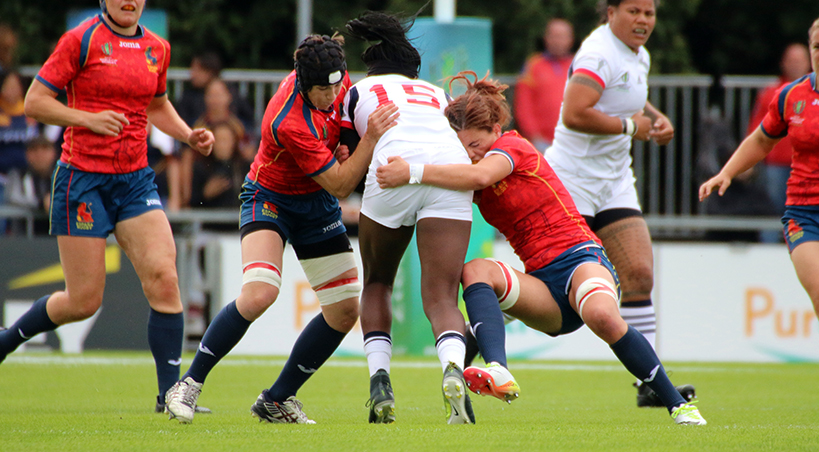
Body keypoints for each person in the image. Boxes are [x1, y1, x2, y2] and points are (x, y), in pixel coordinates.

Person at [377, 71, 706, 425]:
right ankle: (497, 372)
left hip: (582, 259)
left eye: (475, 146)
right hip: (546, 292)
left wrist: (411, 171)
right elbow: (443, 189)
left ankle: (678, 405)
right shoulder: (473, 169)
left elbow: (478, 177)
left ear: (494, 131)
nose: (471, 156)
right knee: (475, 271)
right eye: (463, 150)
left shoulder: (512, 147)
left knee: (602, 316)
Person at [163, 33, 399, 425]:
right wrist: (368, 139)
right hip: (270, 198)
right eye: (323, 89)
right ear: (304, 82)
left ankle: (277, 399)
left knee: (343, 311)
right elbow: (341, 184)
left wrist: (348, 142)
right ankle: (187, 383)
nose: (332, 95)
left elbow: (343, 134)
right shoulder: (288, 117)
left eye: (337, 85)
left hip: (315, 204)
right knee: (260, 293)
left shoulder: (338, 85)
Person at [0, 0, 215, 414]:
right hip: (82, 179)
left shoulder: (157, 48)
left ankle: (169, 396)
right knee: (83, 301)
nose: (129, 2)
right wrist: (88, 119)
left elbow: (156, 104)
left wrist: (189, 135)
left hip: (135, 180)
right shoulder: (80, 40)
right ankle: (8, 340)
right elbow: (35, 102)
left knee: (165, 278)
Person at [542, 0, 694, 407]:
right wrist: (634, 128)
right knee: (545, 286)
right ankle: (469, 340)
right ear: (610, 12)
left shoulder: (636, 53)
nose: (644, 20)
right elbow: (575, 113)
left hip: (614, 183)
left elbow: (628, 96)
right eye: (634, 11)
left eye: (650, 13)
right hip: (572, 181)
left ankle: (650, 383)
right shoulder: (597, 52)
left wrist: (655, 117)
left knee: (640, 275)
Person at [343, 10, 477, 425]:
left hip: (392, 169)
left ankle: (380, 380)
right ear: (411, 68)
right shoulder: (434, 93)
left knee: (378, 282)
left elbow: (346, 154)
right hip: (448, 170)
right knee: (442, 296)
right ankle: (453, 366)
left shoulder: (356, 90)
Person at [700, 17, 819, 327]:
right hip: (805, 212)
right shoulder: (791, 95)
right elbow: (762, 138)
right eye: (817, 47)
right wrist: (726, 172)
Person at [745, 43, 811, 233]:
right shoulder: (772, 93)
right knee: (771, 210)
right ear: (783, 63)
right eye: (791, 60)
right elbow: (756, 130)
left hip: (809, 166)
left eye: (799, 60)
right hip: (776, 164)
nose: (795, 65)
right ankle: (770, 252)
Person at [513, 18, 575, 152]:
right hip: (540, 143)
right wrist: (534, 136)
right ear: (546, 38)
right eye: (554, 36)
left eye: (562, 37)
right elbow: (523, 104)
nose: (557, 41)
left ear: (571, 39)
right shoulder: (533, 65)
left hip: (573, 142)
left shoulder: (578, 66)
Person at [4, 136, 57, 235]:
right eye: (34, 150)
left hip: (56, 235)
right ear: (27, 154)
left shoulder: (62, 176)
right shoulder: (18, 175)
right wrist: (41, 203)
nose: (39, 155)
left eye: (45, 149)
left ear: (53, 153)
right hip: (25, 237)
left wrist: (57, 202)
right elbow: (13, 198)